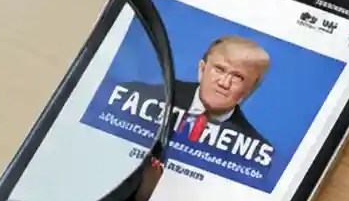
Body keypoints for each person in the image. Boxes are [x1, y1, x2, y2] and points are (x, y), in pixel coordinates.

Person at [111, 35, 272, 149]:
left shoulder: (254, 149)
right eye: (219, 69)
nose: (224, 83)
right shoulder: (136, 97)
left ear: (250, 90)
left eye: (237, 77)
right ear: (202, 70)